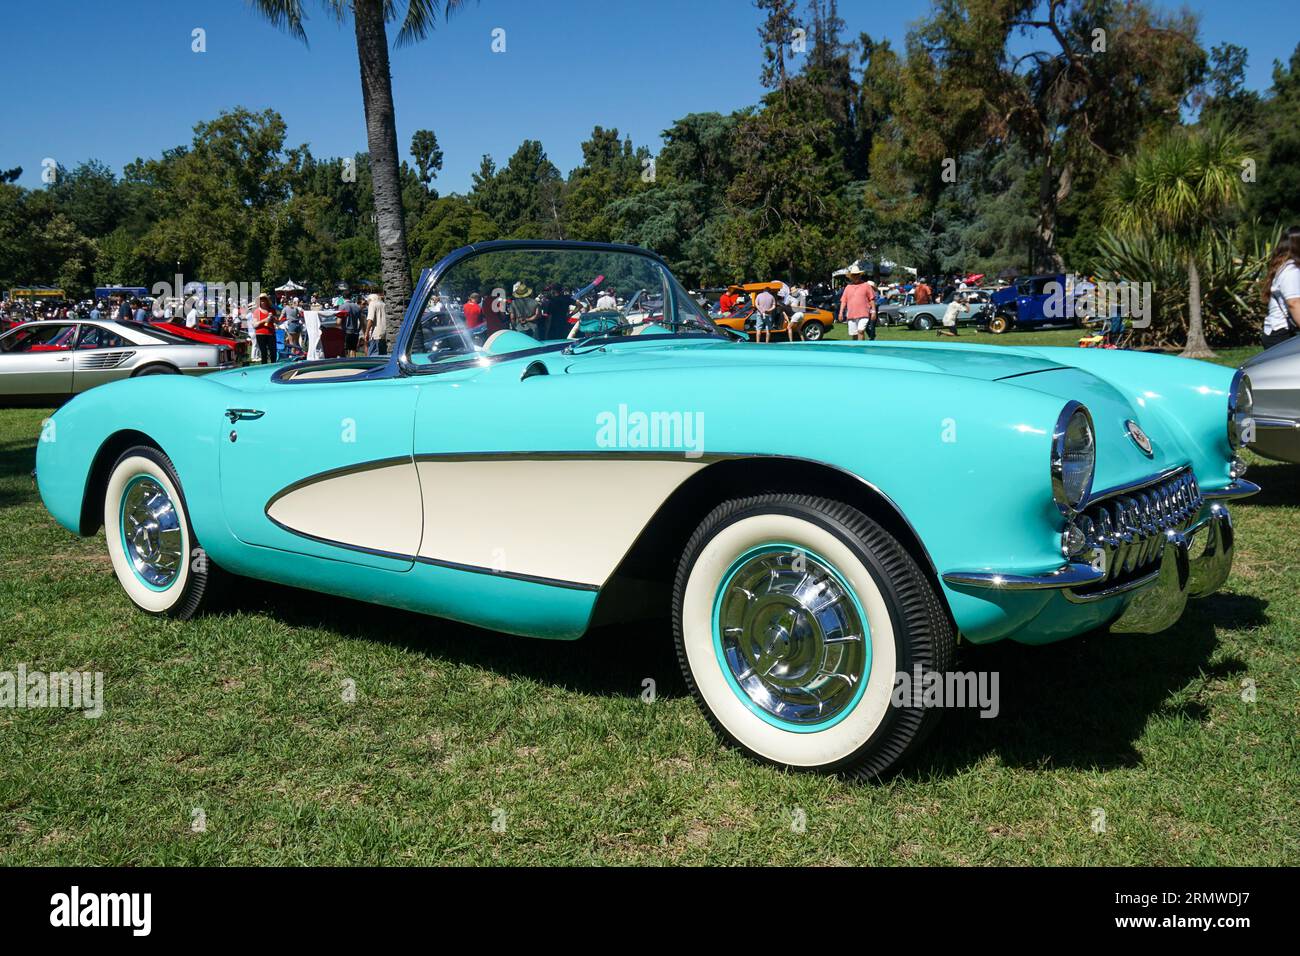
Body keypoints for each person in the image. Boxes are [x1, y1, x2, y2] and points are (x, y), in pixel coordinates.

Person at [1262, 226, 1300, 349]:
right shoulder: (1291, 271)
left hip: (1280, 333)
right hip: (1281, 334)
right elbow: (1294, 303)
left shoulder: (1285, 267)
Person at [838, 263, 877, 341]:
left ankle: (861, 349)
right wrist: (841, 313)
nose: (855, 276)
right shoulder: (848, 287)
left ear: (860, 275)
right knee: (854, 334)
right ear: (851, 276)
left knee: (861, 331)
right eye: (854, 275)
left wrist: (873, 311)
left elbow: (871, 299)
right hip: (851, 315)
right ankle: (855, 350)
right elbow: (843, 301)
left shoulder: (866, 285)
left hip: (863, 314)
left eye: (857, 274)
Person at [252, 293, 277, 363]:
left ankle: (273, 366)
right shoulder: (257, 311)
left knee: (273, 352)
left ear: (267, 300)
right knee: (264, 352)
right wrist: (264, 320)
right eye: (261, 299)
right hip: (260, 333)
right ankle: (264, 367)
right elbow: (254, 325)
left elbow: (276, 321)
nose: (262, 301)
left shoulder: (272, 310)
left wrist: (273, 318)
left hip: (271, 333)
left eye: (264, 299)